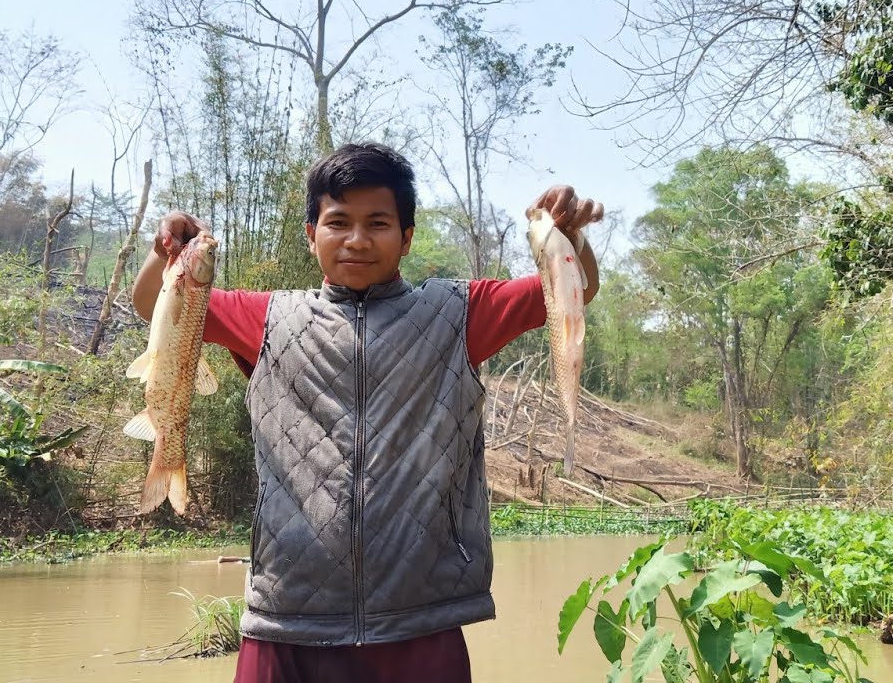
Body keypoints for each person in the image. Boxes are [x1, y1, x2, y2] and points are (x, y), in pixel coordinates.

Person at [132, 142, 600, 683]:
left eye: (378, 223)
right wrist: (165, 253)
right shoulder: (268, 318)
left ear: (407, 237)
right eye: (338, 222)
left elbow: (573, 289)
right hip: (287, 616)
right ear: (311, 235)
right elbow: (153, 306)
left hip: (420, 619)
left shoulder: (458, 314)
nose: (357, 239)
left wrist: (569, 238)